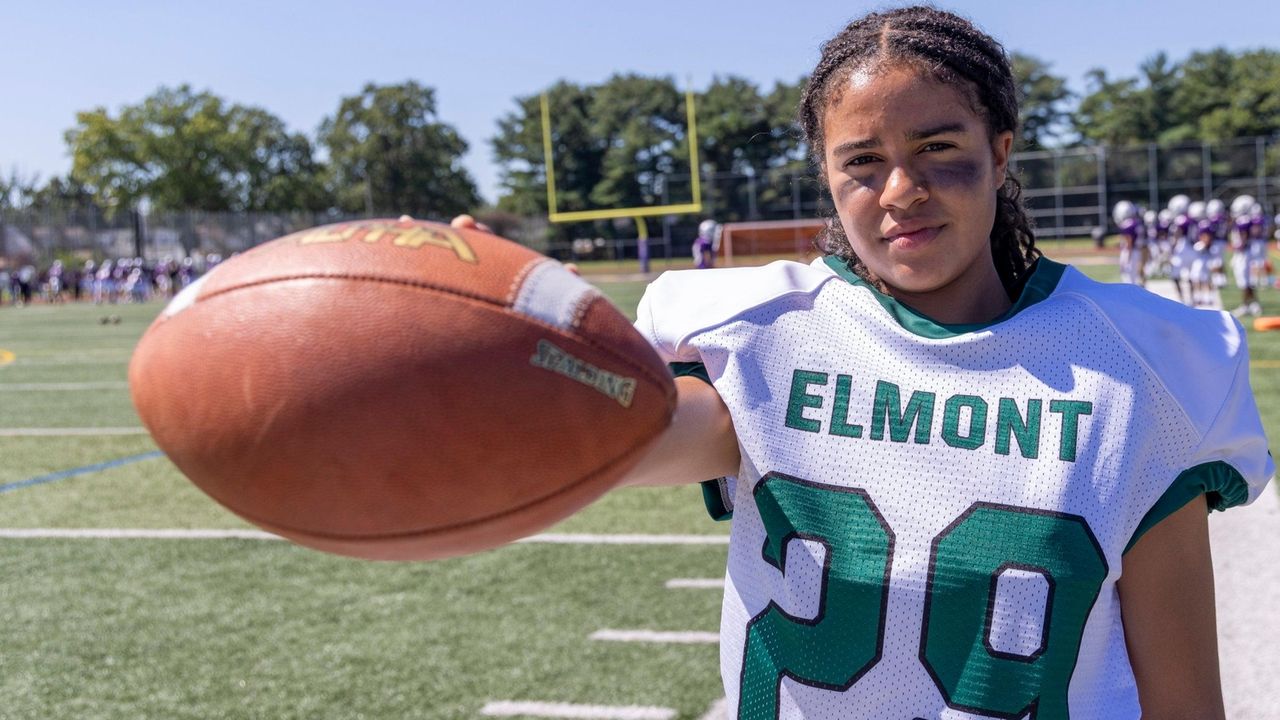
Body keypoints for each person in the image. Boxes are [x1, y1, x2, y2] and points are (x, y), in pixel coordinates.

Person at [615, 8, 1269, 719]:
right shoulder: (760, 340)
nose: (901, 190)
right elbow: (596, 438)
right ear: (826, 176)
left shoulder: (1138, 370)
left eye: (936, 146)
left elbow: (1185, 701)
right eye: (863, 160)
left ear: (1000, 152)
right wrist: (492, 349)